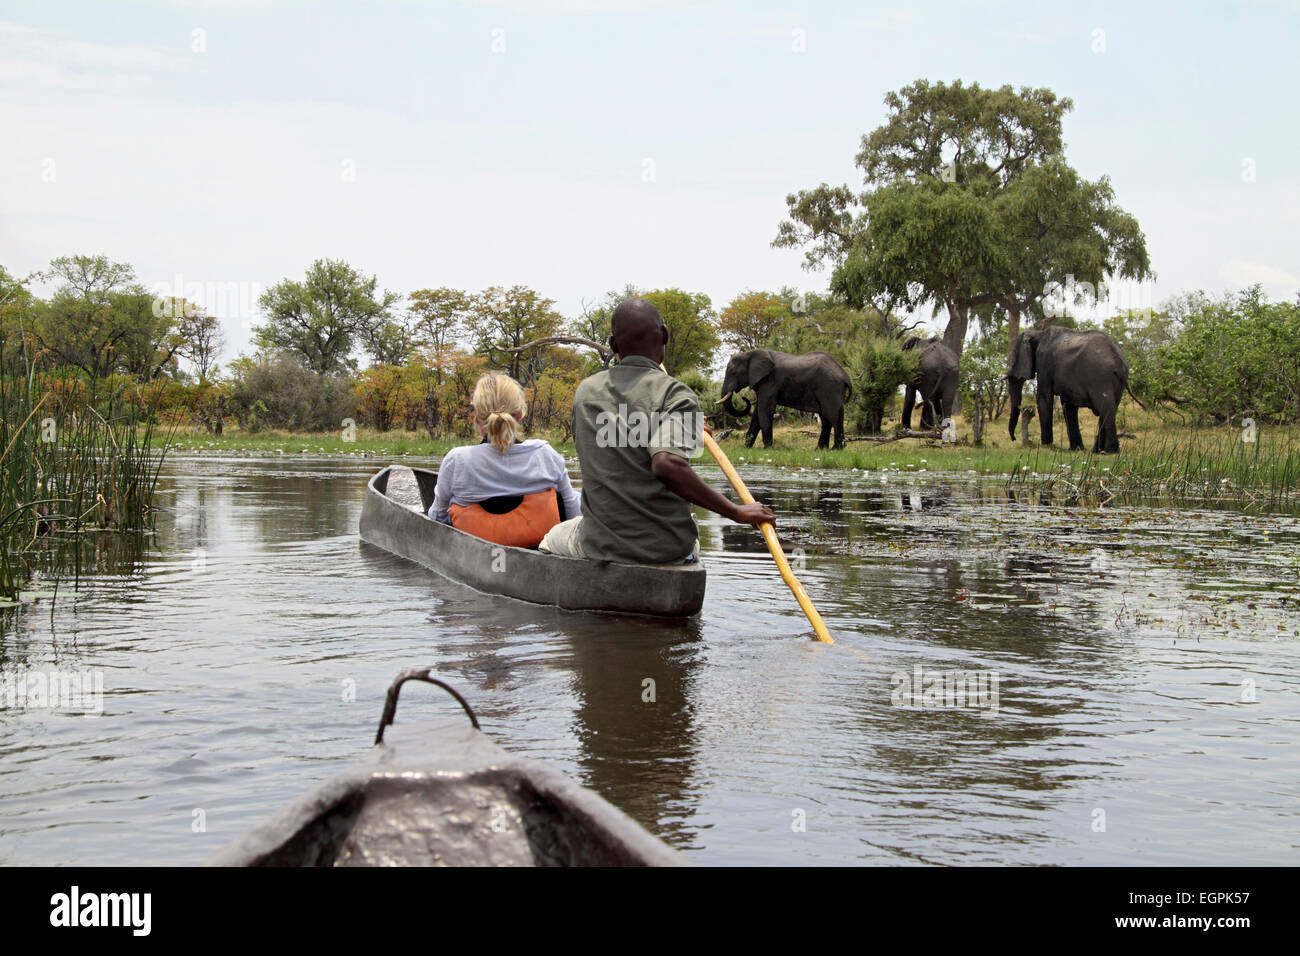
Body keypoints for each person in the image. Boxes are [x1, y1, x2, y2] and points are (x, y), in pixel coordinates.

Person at [540, 297, 774, 563]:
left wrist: (685, 431)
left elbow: (653, 455)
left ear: (614, 345)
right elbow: (666, 462)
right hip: (669, 549)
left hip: (602, 545)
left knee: (550, 537)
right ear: (664, 335)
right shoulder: (677, 394)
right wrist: (736, 511)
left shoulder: (586, 391)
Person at [429, 373, 581, 548]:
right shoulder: (545, 455)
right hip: (537, 551)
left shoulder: (457, 460)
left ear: (477, 416)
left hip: (472, 553)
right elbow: (572, 513)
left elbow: (437, 519)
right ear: (519, 414)